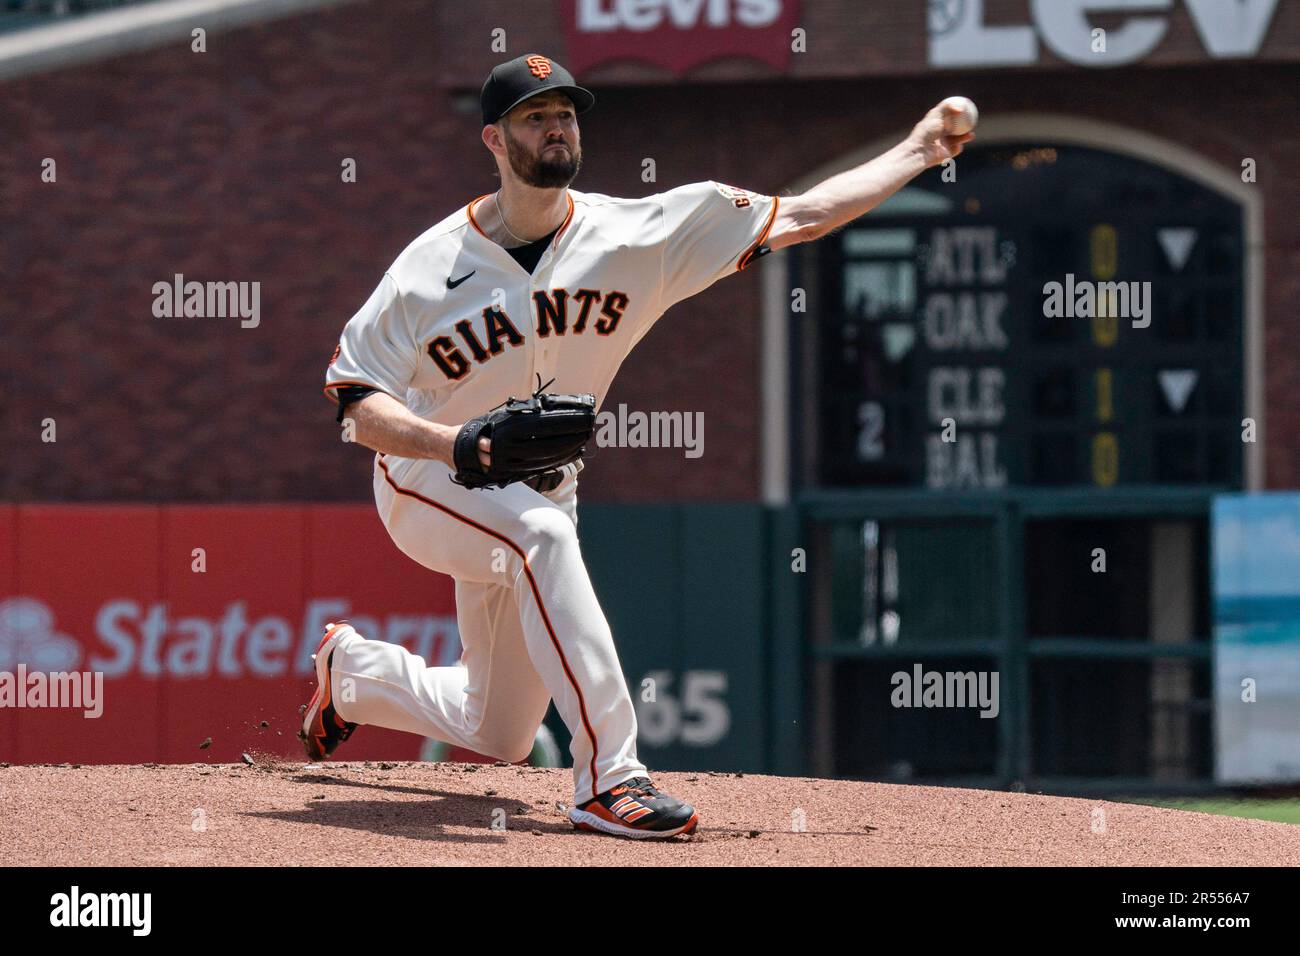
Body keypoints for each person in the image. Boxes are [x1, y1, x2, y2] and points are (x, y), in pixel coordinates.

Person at [301, 53, 973, 839]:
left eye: (566, 113)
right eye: (534, 116)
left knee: (500, 731)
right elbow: (353, 401)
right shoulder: (428, 268)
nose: (557, 127)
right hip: (427, 477)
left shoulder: (638, 234)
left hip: (539, 488)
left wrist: (920, 151)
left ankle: (351, 673)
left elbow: (806, 213)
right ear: (493, 139)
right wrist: (461, 446)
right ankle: (609, 780)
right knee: (540, 536)